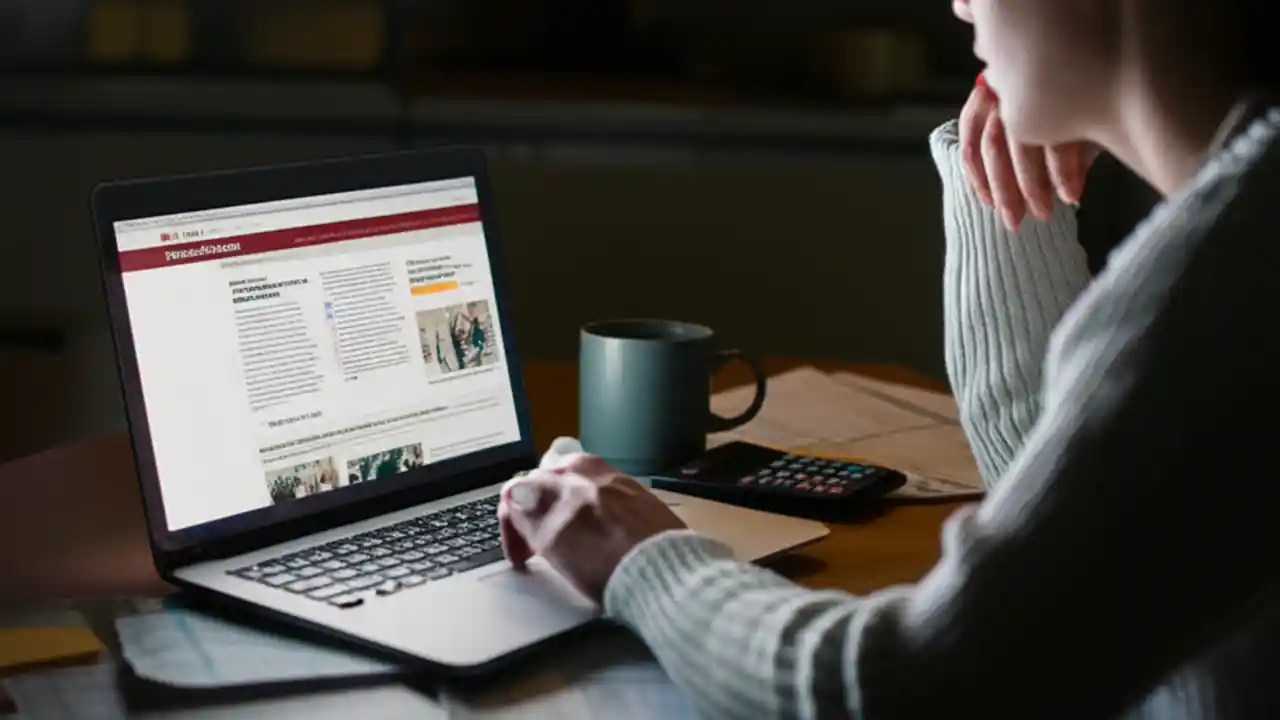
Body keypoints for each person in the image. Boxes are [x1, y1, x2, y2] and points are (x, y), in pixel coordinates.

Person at [496, 1, 1280, 717]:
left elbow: (898, 691)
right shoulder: (1237, 220)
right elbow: (1072, 520)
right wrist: (999, 190)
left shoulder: (1239, 275)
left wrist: (638, 557)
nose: (962, 4)